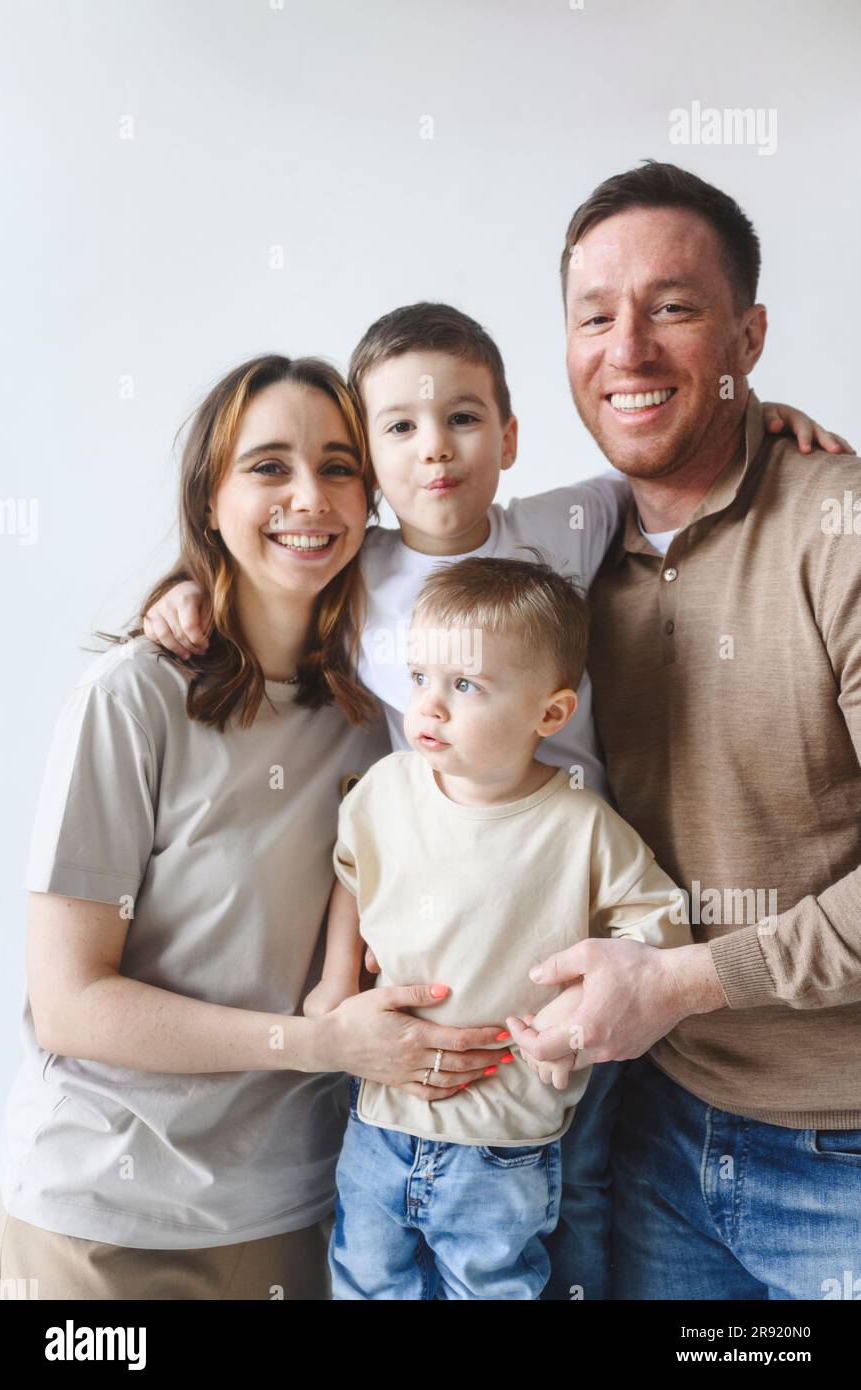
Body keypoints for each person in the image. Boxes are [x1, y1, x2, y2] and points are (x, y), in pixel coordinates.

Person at [143, 302, 844, 1299]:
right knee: (408, 1189)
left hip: (567, 906)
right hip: (444, 919)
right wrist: (187, 589)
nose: (434, 451)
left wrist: (761, 414)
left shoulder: (566, 521)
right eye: (398, 429)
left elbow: (675, 452)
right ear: (367, 462)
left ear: (508, 436)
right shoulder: (360, 574)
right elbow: (266, 573)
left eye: (463, 419)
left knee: (574, 1179)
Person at [0, 354, 507, 1300]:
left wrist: (759, 436)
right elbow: (70, 1002)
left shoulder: (381, 711)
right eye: (268, 466)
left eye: (340, 465)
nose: (309, 497)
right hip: (104, 1229)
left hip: (298, 1216)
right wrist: (317, 1044)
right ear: (209, 500)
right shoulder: (133, 697)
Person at [503, 159, 861, 1301]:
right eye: (592, 316)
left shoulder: (836, 532)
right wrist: (202, 589)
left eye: (670, 308)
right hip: (649, 1141)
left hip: (839, 1156)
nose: (627, 351)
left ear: (747, 337)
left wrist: (682, 983)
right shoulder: (562, 560)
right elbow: (372, 565)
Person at [306, 555, 691, 1299]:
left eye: (465, 686)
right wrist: (332, 982)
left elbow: (661, 931)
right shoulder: (386, 790)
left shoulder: (581, 826)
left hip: (502, 1143)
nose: (430, 706)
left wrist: (574, 1015)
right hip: (380, 1120)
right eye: (420, 678)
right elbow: (350, 873)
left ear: (549, 714)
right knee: (362, 1282)